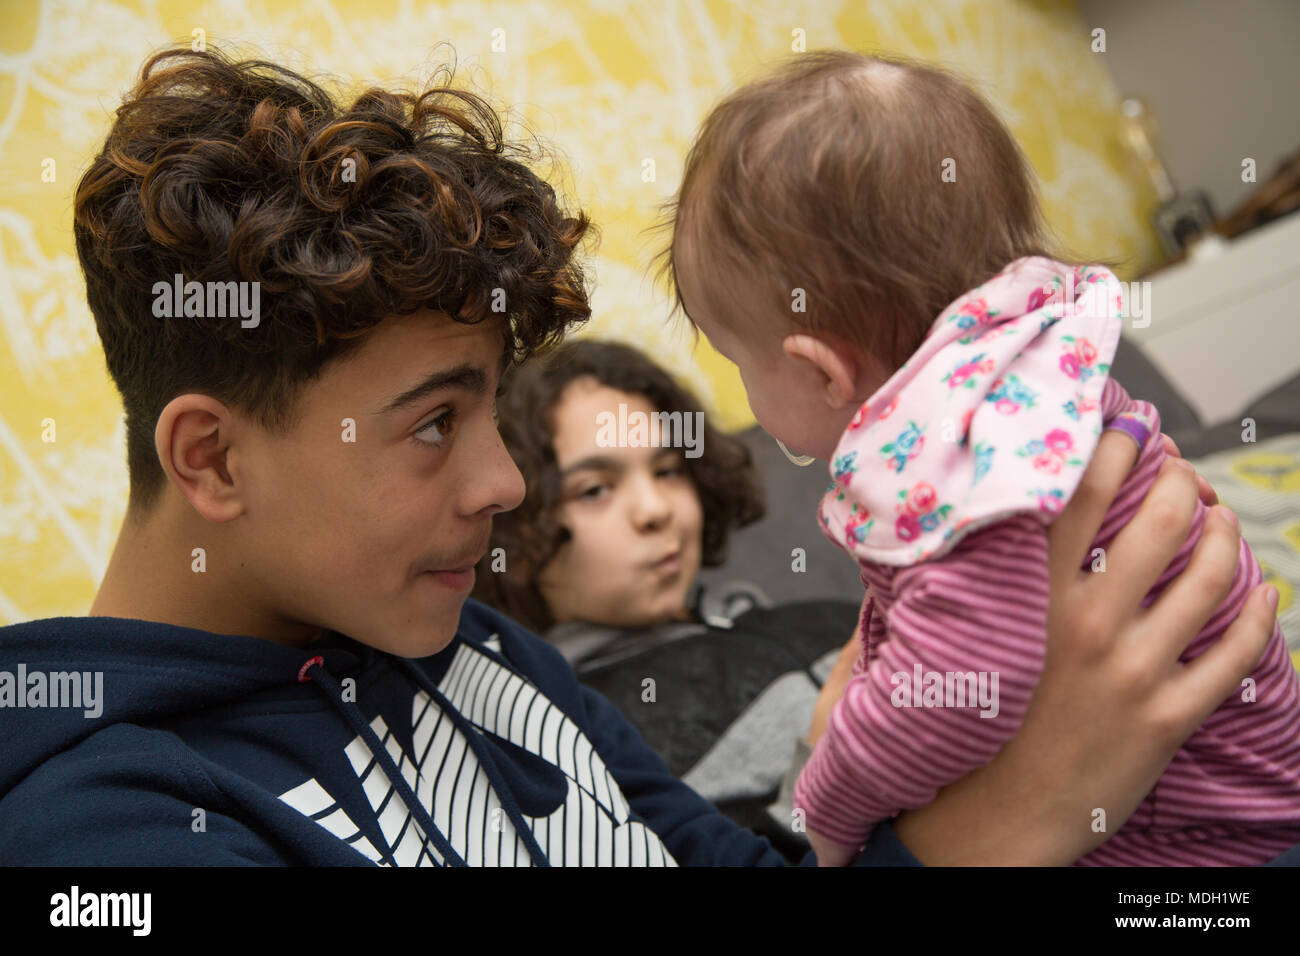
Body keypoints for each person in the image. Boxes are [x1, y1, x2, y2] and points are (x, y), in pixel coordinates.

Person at [0, 43, 1288, 867]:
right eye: (437, 420)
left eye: (495, 412)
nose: (508, 485)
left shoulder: (476, 650)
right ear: (213, 461)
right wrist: (1014, 822)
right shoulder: (102, 824)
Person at [659, 49, 1300, 866]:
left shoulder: (951, 460)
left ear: (821, 369)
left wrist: (827, 805)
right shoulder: (1031, 359)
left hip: (1201, 853)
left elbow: (966, 685)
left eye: (737, 362)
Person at [471, 338, 859, 859]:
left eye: (668, 470)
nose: (655, 509)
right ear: (512, 537)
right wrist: (830, 767)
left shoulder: (810, 612)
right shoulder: (576, 743)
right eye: (595, 489)